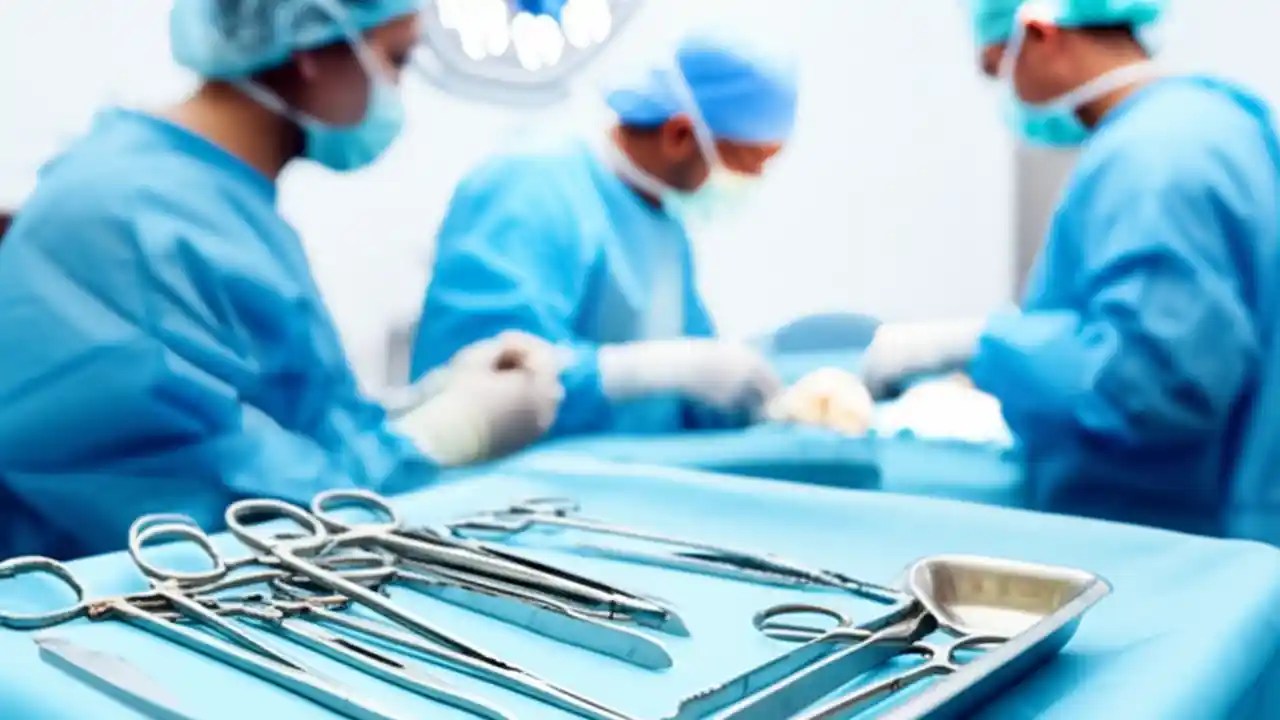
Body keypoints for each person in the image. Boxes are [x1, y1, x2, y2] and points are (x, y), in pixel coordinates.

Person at [0, 0, 562, 558]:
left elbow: (278, 420)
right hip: (107, 608)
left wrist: (425, 403)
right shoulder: (127, 218)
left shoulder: (213, 198)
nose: (398, 88)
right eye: (398, 58)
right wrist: (445, 434)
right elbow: (227, 508)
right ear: (310, 48)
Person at [857, 0, 1280, 540]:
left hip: (1179, 532)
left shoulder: (1157, 158)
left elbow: (1157, 385)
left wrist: (987, 345)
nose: (1006, 91)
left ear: (1041, 34)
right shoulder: (1210, 125)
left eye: (997, 65)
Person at [411, 29, 800, 437]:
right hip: (516, 489)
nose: (754, 179)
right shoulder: (530, 186)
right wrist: (642, 372)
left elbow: (695, 388)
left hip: (620, 481)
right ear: (679, 135)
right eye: (748, 161)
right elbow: (481, 378)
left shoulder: (660, 223)